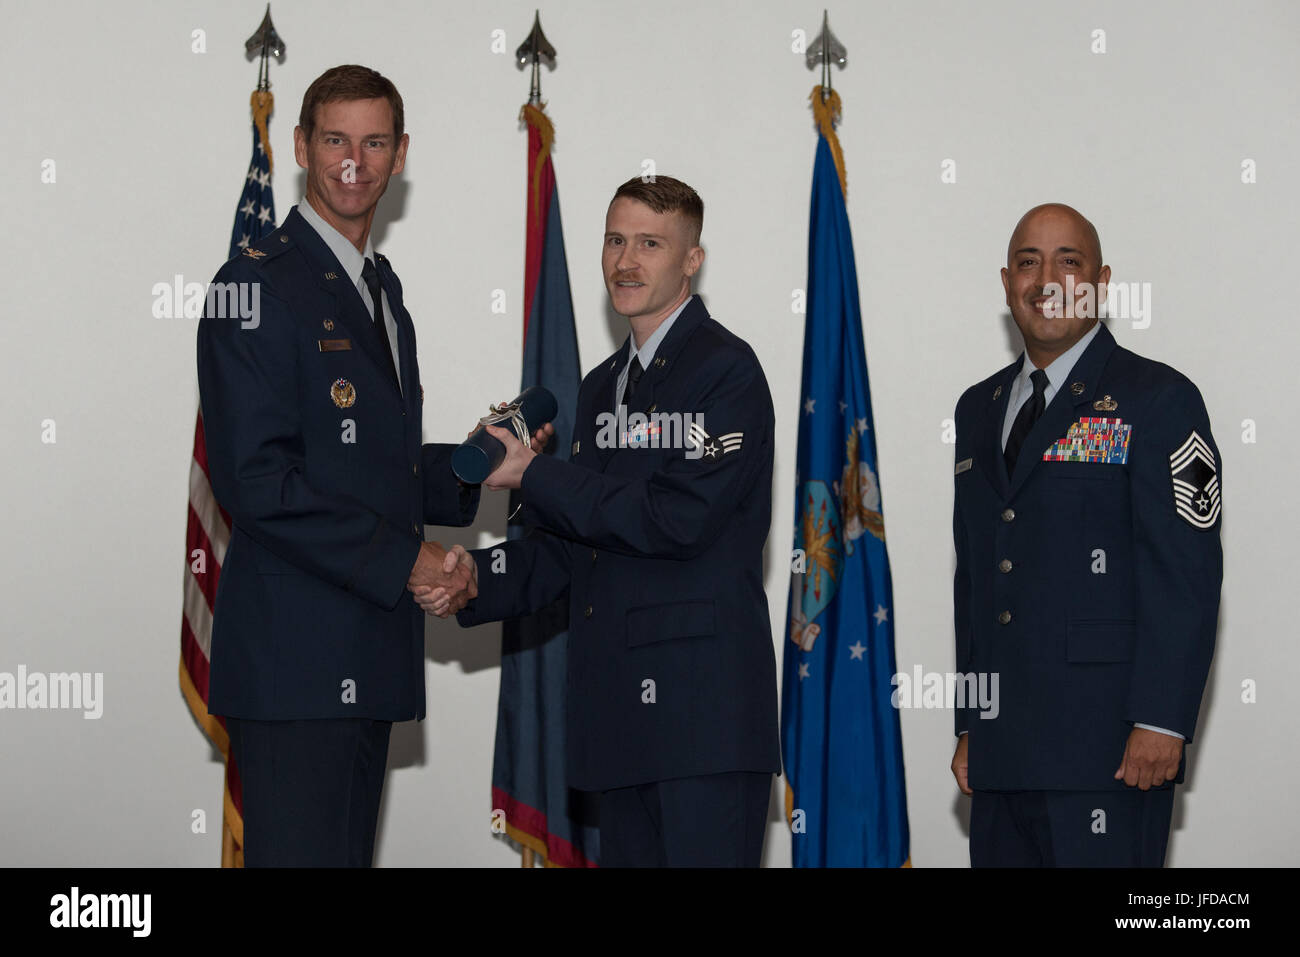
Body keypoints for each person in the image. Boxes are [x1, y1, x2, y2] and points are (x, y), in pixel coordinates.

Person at [415, 176, 782, 867]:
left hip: (703, 727)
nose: (626, 261)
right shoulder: (601, 384)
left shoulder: (726, 372)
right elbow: (570, 548)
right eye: (615, 240)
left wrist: (534, 472)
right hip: (620, 723)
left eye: (650, 243)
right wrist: (470, 580)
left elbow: (677, 520)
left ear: (691, 260)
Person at [196, 65, 485, 866]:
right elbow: (257, 482)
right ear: (299, 146)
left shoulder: (383, 291)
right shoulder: (250, 284)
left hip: (368, 659)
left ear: (398, 157)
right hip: (296, 670)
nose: (353, 160)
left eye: (374, 141)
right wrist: (409, 558)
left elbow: (365, 466)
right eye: (335, 139)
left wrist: (480, 467)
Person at [949, 203, 1222, 867]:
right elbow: (978, 582)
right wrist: (969, 721)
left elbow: (1184, 574)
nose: (1045, 278)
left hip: (1111, 752)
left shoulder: (1157, 398)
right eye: (1027, 261)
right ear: (1007, 281)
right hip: (1002, 755)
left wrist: (1162, 719)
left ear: (1101, 281)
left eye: (1067, 261)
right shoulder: (977, 408)